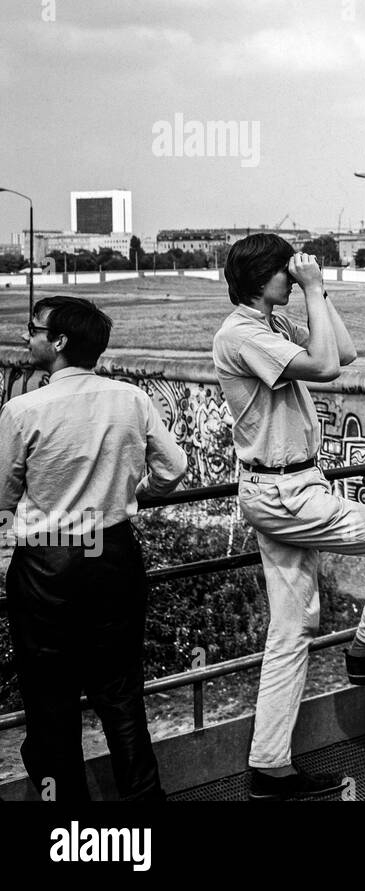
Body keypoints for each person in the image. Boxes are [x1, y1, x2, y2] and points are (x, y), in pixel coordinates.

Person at [212, 235, 365, 800]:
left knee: (290, 630)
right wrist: (314, 286)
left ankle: (269, 766)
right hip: (285, 494)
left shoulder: (270, 327)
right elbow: (323, 366)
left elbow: (341, 353)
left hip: (291, 487)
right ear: (259, 275)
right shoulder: (242, 333)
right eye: (283, 270)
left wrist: (315, 293)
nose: (292, 278)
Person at [0, 296, 188, 801]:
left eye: (33, 329)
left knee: (50, 700)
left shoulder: (21, 410)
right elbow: (173, 469)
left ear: (58, 342)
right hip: (113, 552)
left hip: (49, 561)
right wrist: (131, 494)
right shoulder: (131, 399)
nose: (26, 337)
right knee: (122, 695)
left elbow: (2, 494)